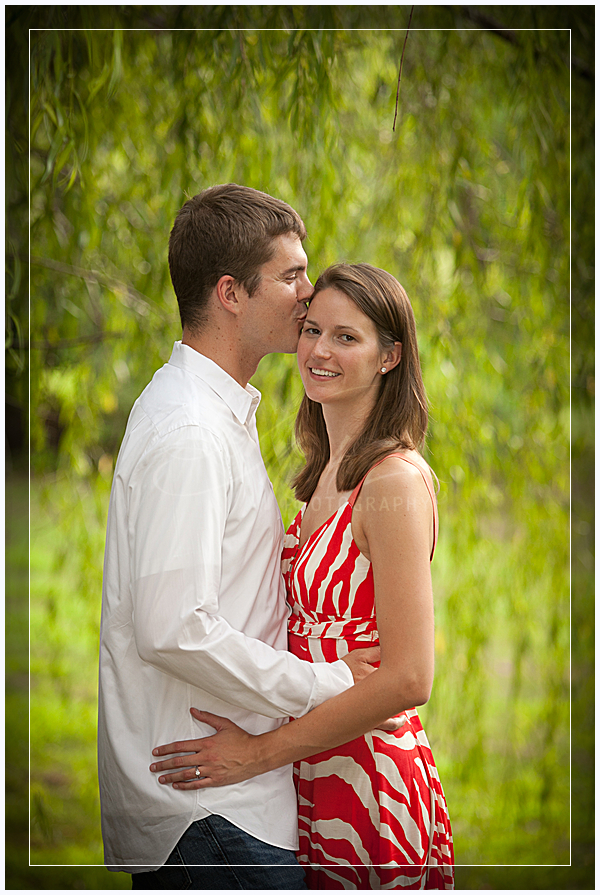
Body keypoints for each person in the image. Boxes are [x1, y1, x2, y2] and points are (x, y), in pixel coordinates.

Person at [98, 185, 385, 890]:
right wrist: (324, 683)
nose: (308, 291)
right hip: (211, 817)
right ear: (230, 292)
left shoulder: (215, 412)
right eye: (290, 275)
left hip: (224, 808)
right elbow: (175, 627)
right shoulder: (192, 430)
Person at [150, 263, 455, 889]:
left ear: (390, 357)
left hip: (366, 778)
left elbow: (409, 676)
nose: (318, 350)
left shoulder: (393, 480)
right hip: (308, 772)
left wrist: (258, 754)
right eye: (313, 329)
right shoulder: (320, 476)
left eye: (348, 337)